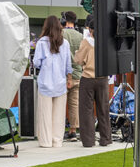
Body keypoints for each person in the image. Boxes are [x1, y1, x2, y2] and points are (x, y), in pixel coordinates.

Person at [32, 16, 73, 147]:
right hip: (60, 83)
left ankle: (46, 141)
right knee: (59, 116)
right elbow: (68, 64)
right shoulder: (65, 43)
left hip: (45, 82)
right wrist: (69, 79)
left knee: (45, 115)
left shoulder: (41, 43)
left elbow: (36, 63)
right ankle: (57, 141)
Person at [74, 18, 112, 147]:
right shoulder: (106, 42)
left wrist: (77, 54)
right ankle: (105, 138)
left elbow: (78, 60)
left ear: (89, 29)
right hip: (103, 79)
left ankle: (89, 141)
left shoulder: (86, 42)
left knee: (86, 111)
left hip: (88, 78)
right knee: (103, 109)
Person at [61, 11, 84, 141]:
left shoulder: (61, 34)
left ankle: (59, 129)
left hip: (64, 74)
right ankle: (73, 130)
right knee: (74, 104)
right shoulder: (80, 36)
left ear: (64, 20)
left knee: (60, 103)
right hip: (78, 73)